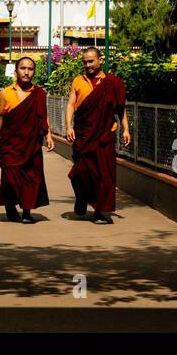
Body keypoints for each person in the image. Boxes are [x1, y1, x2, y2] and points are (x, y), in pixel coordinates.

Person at [64, 47, 129, 224]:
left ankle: (100, 211)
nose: (88, 65)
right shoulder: (78, 81)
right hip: (83, 134)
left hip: (104, 136)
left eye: (91, 61)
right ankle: (82, 196)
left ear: (100, 61)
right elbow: (71, 104)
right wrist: (69, 126)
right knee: (79, 173)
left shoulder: (112, 83)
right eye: (85, 62)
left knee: (104, 175)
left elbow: (121, 109)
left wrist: (126, 129)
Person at [0, 56, 54, 223]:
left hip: (31, 143)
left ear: (34, 72)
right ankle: (10, 205)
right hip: (11, 142)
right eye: (23, 68)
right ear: (16, 71)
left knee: (31, 176)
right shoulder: (5, 92)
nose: (26, 72)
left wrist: (48, 135)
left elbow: (43, 116)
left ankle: (27, 210)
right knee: (10, 175)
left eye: (30, 69)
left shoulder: (39, 93)